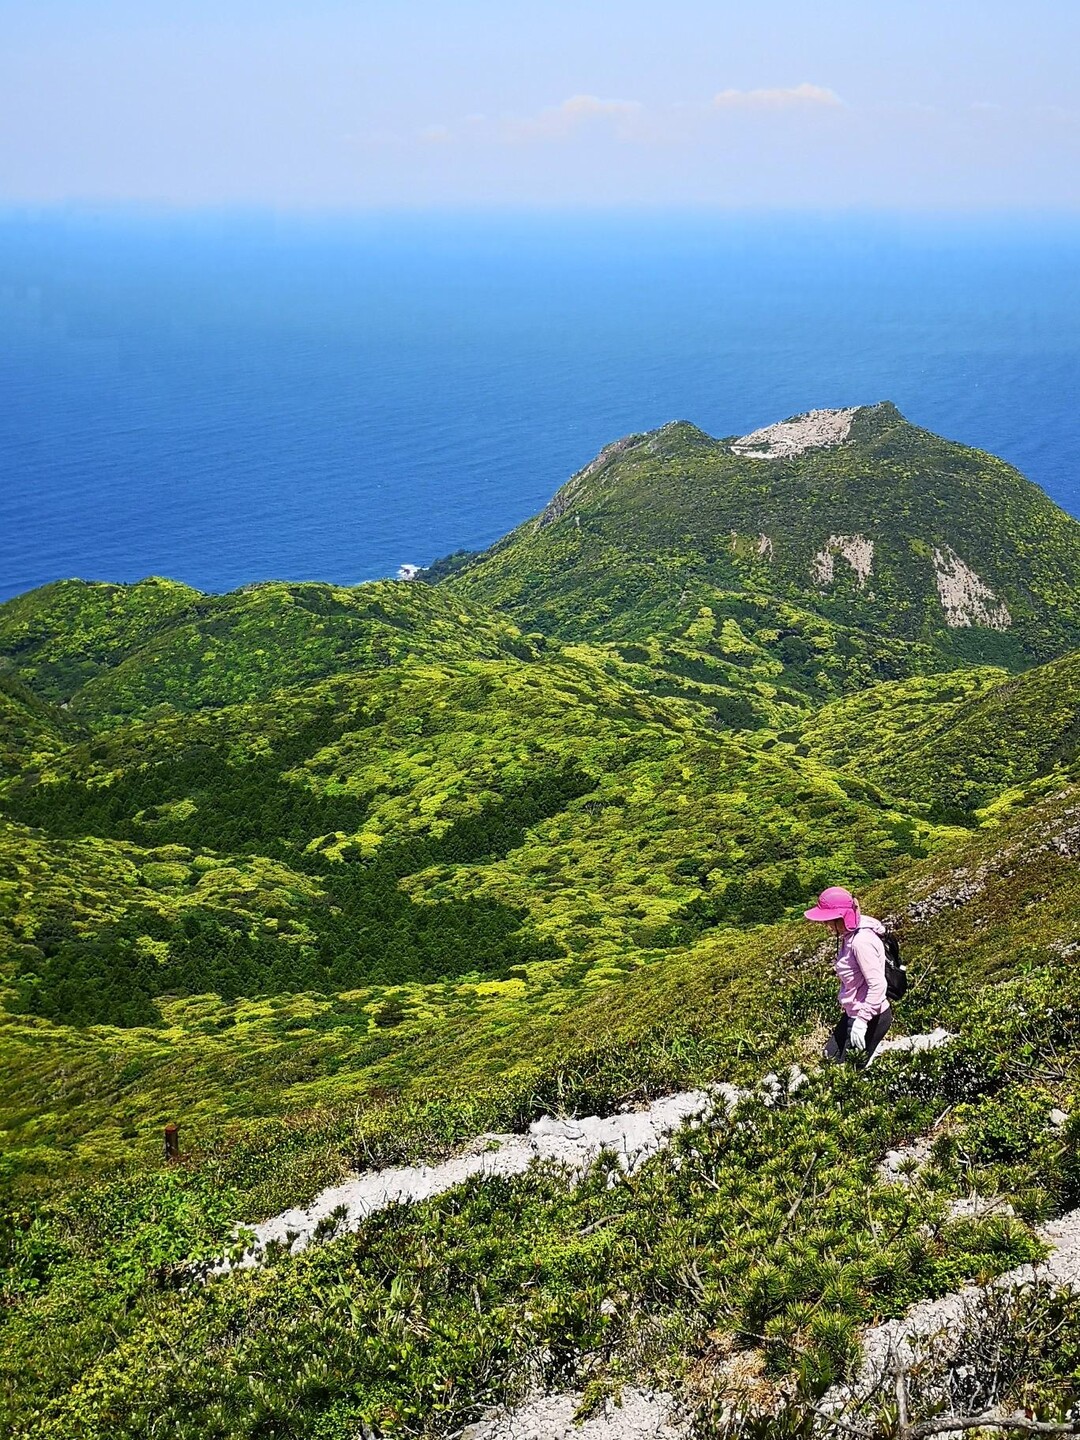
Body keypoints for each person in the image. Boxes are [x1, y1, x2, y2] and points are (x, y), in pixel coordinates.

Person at [804, 886, 892, 1063]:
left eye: (829, 920)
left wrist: (862, 1021)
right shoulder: (850, 934)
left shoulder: (861, 942)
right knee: (829, 1058)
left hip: (869, 1017)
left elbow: (878, 985)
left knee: (849, 1075)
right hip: (854, 1013)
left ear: (844, 917)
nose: (826, 925)